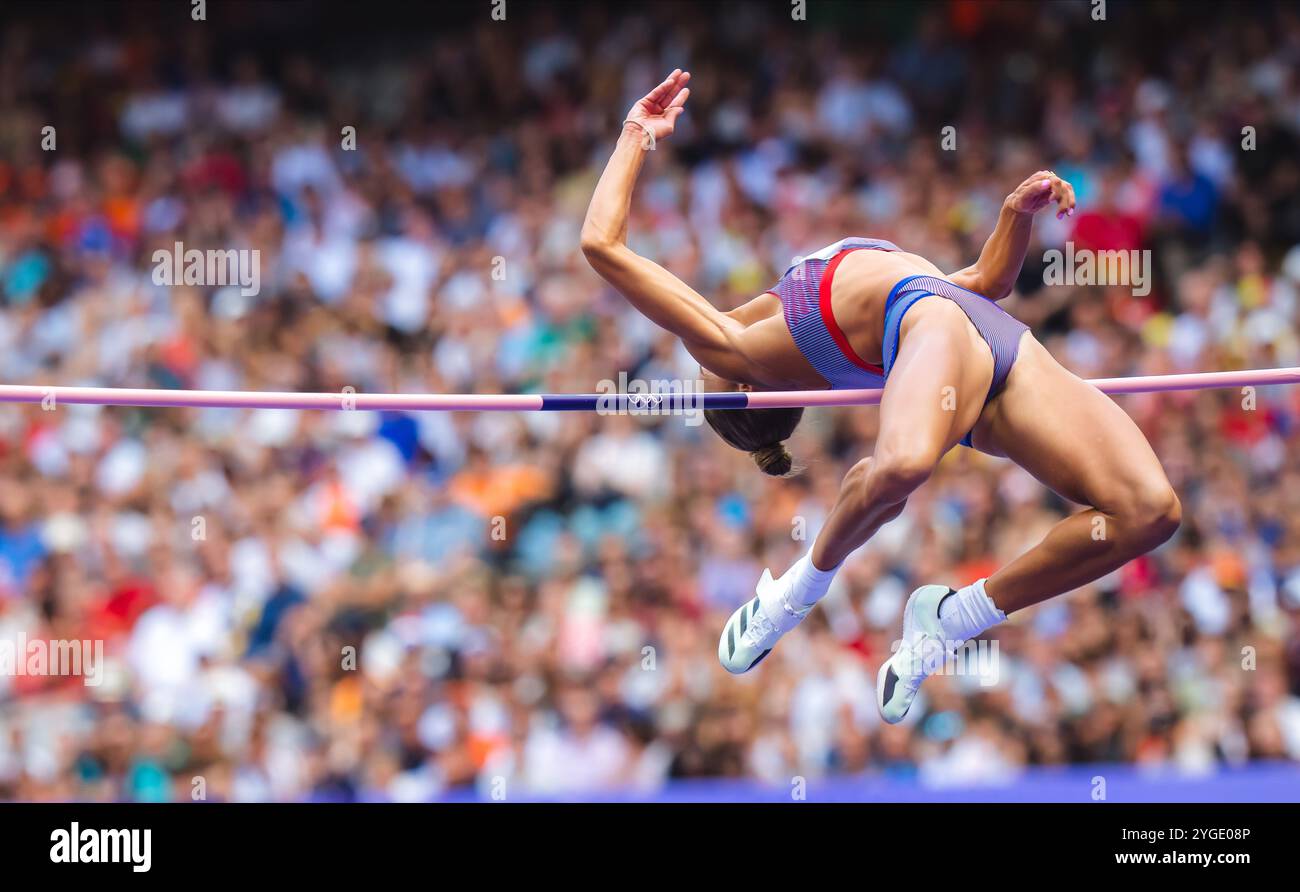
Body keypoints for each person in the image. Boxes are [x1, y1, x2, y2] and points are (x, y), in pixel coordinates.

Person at [580, 71, 1181, 723]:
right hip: (942, 334)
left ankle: (951, 618)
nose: (699, 357)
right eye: (706, 371)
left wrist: (1014, 214)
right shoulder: (744, 349)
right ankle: (794, 593)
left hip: (992, 346)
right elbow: (600, 245)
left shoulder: (804, 320)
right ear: (747, 389)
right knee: (898, 467)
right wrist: (636, 133)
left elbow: (983, 282)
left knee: (1150, 512)